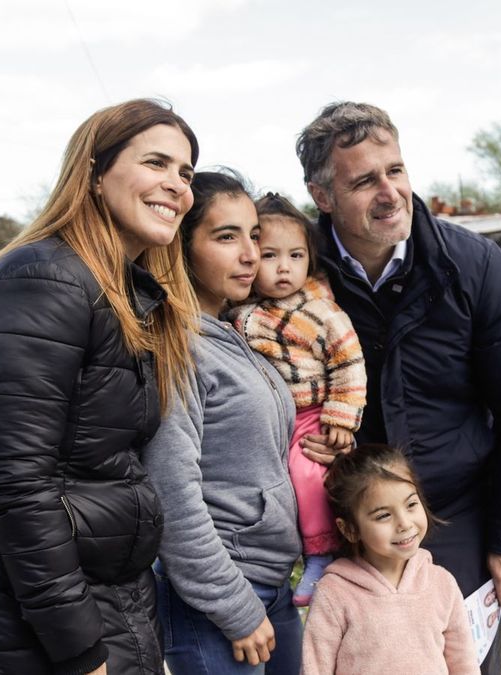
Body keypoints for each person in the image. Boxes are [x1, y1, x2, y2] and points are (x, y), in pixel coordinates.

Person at [0, 98, 200, 675]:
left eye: (186, 172)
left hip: (107, 601)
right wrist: (80, 647)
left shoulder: (122, 291)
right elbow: (16, 482)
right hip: (27, 629)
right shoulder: (46, 280)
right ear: (95, 173)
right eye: (156, 163)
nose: (177, 185)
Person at [296, 101, 501, 674]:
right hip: (350, 521)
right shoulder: (297, 273)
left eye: (396, 170)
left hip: (457, 517)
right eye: (364, 181)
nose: (390, 193)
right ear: (323, 196)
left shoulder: (473, 265)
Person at [143, 172, 304, 674]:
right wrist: (232, 606)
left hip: (270, 582)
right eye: (226, 236)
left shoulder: (232, 333)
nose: (251, 254)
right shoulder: (178, 346)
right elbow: (171, 491)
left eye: (253, 235)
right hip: (220, 597)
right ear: (181, 247)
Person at [229, 193, 367, 606]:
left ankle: (321, 555)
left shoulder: (319, 310)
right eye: (270, 256)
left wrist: (340, 418)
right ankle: (284, 556)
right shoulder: (239, 309)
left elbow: (348, 360)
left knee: (306, 474)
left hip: (311, 413)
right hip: (270, 416)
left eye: (296, 255)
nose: (284, 267)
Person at [301, 443, 476, 675]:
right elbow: (315, 668)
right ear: (349, 529)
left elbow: (464, 663)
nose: (404, 523)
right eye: (384, 515)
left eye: (411, 504)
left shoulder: (441, 583)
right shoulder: (334, 594)